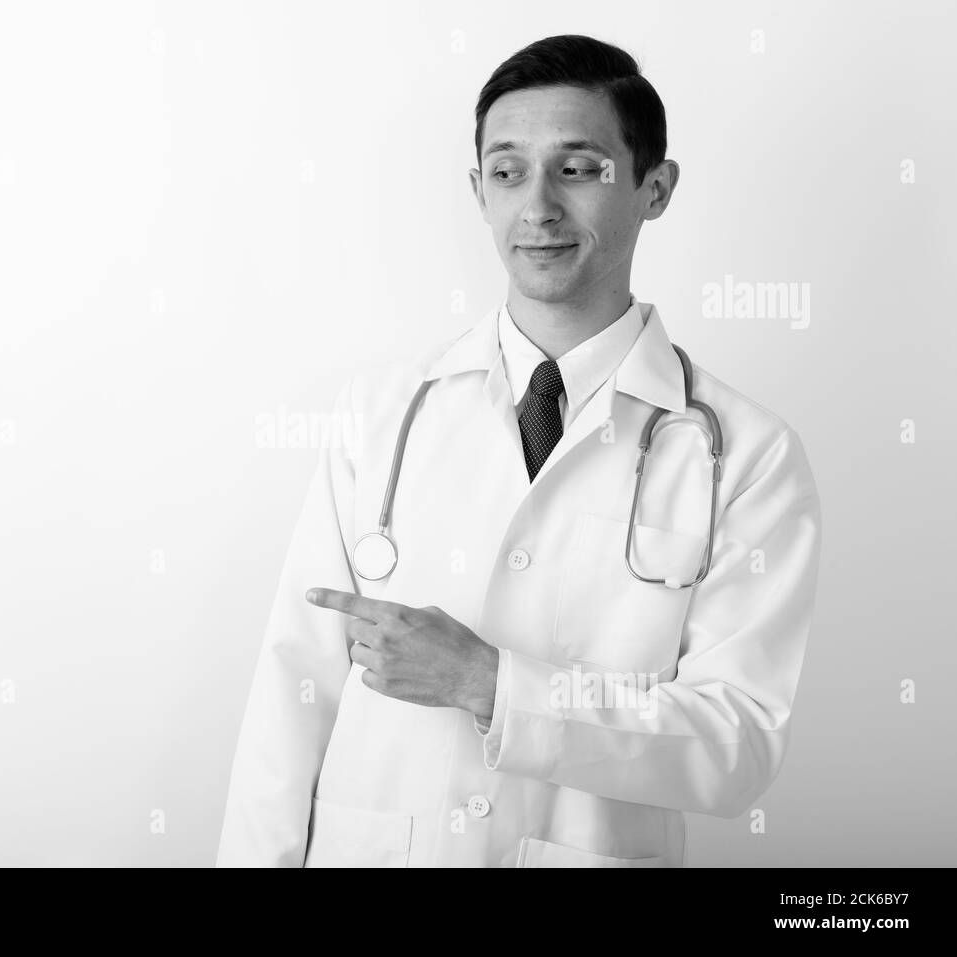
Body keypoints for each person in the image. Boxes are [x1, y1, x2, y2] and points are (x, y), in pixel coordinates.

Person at [216, 34, 822, 867]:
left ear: (655, 188)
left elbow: (735, 748)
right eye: (506, 172)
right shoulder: (382, 414)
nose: (537, 205)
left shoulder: (748, 455)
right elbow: (291, 698)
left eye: (578, 168)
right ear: (479, 192)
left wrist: (492, 684)